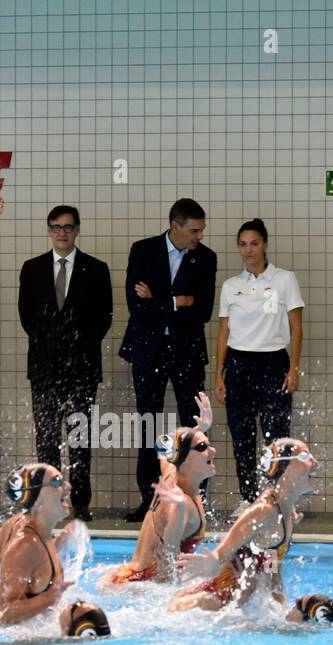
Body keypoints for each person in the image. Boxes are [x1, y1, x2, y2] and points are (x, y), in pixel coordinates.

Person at [118, 198, 217, 521]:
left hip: (187, 353)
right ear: (175, 226)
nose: (199, 236)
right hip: (148, 352)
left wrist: (159, 300)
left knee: (194, 427)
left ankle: (194, 498)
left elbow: (201, 312)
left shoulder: (205, 258)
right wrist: (178, 302)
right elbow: (136, 306)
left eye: (201, 230)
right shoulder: (143, 251)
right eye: (194, 230)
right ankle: (150, 499)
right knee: (148, 423)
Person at [18, 205, 113, 521]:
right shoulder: (31, 269)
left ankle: (80, 503)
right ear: (49, 229)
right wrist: (53, 347)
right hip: (44, 369)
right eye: (56, 227)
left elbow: (103, 319)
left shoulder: (96, 269)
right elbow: (27, 318)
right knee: (46, 439)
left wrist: (75, 349)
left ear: (77, 230)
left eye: (68, 227)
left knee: (79, 439)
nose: (62, 232)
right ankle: (47, 500)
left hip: (81, 369)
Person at [215, 219, 305, 517]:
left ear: (265, 244)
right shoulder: (231, 286)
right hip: (239, 365)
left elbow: (296, 327)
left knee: (275, 435)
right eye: (242, 244)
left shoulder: (284, 279)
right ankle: (249, 498)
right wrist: (219, 374)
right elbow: (224, 333)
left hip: (273, 361)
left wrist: (293, 368)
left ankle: (276, 499)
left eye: (254, 243)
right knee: (241, 435)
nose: (248, 250)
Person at [170, 437, 318, 612]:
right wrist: (211, 561)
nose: (314, 462)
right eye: (304, 456)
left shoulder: (284, 511)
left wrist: (280, 607)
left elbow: (272, 562)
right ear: (284, 469)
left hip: (230, 609)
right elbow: (223, 552)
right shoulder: (265, 511)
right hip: (201, 605)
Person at [103, 391, 217, 585]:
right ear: (184, 458)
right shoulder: (181, 504)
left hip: (125, 578)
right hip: (139, 588)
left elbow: (163, 443)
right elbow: (169, 560)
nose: (212, 450)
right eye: (202, 447)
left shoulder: (170, 472)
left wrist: (199, 429)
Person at [0, 464, 83, 625]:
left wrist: (58, 544)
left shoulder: (41, 537)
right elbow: (2, 614)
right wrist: (49, 598)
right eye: (56, 482)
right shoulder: (26, 546)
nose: (67, 486)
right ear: (37, 497)